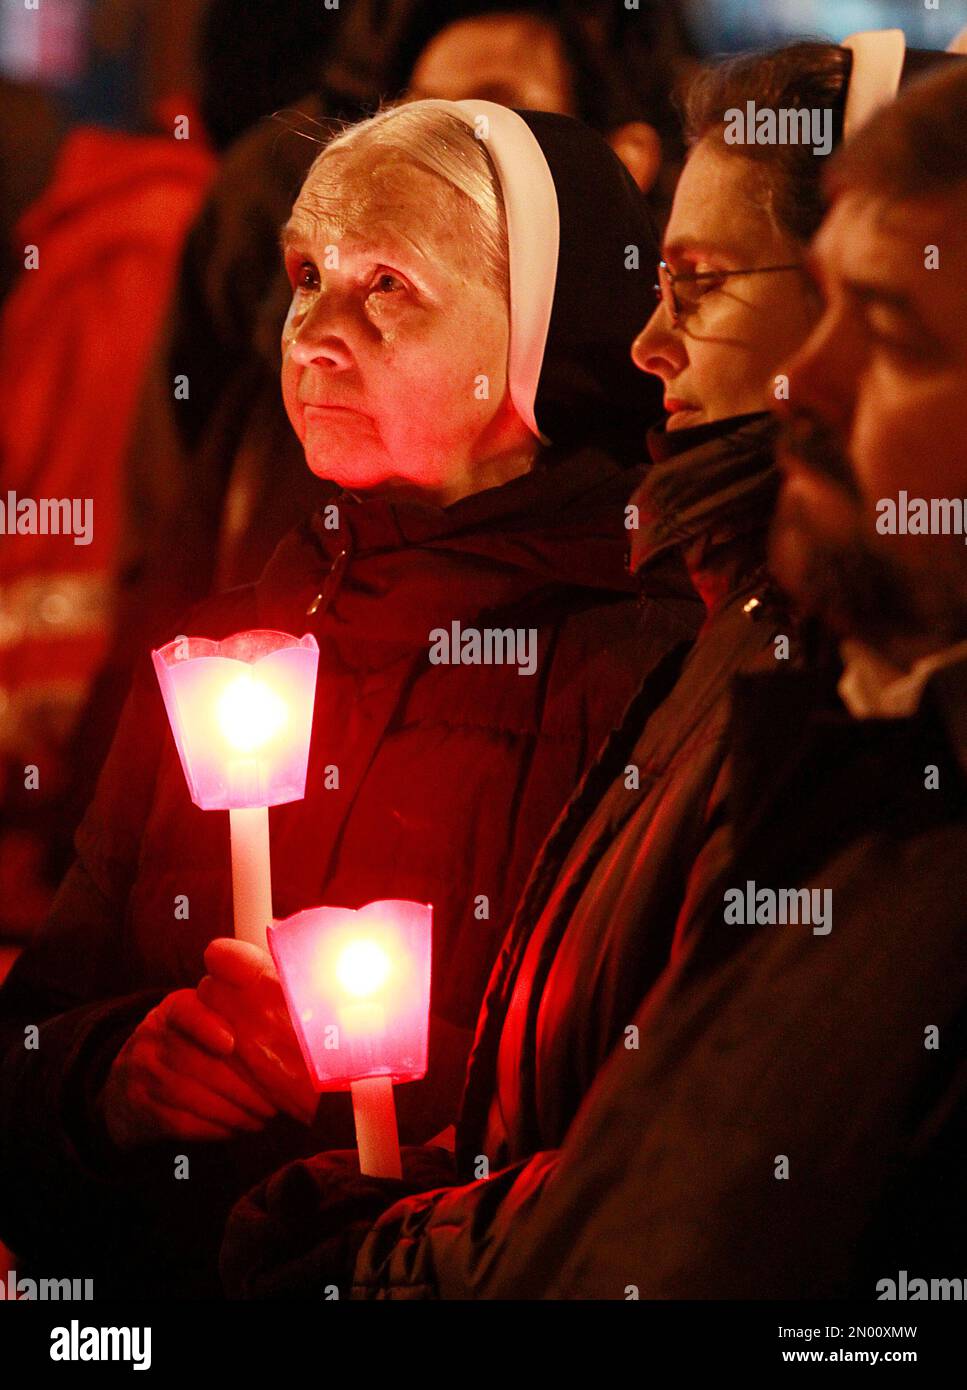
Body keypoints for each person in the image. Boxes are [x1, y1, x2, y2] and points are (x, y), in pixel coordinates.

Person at [218, 35, 962, 1301]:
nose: (648, 343)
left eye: (703, 283)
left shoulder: (720, 657)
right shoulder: (736, 623)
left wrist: (367, 1245)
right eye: (303, 276)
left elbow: (706, 1183)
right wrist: (106, 1078)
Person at [0, 99, 698, 1298]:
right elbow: (40, 1036)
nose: (315, 332)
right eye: (307, 272)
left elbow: (667, 1150)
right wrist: (116, 1077)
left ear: (539, 326)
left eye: (388, 285)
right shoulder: (227, 645)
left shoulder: (656, 670)